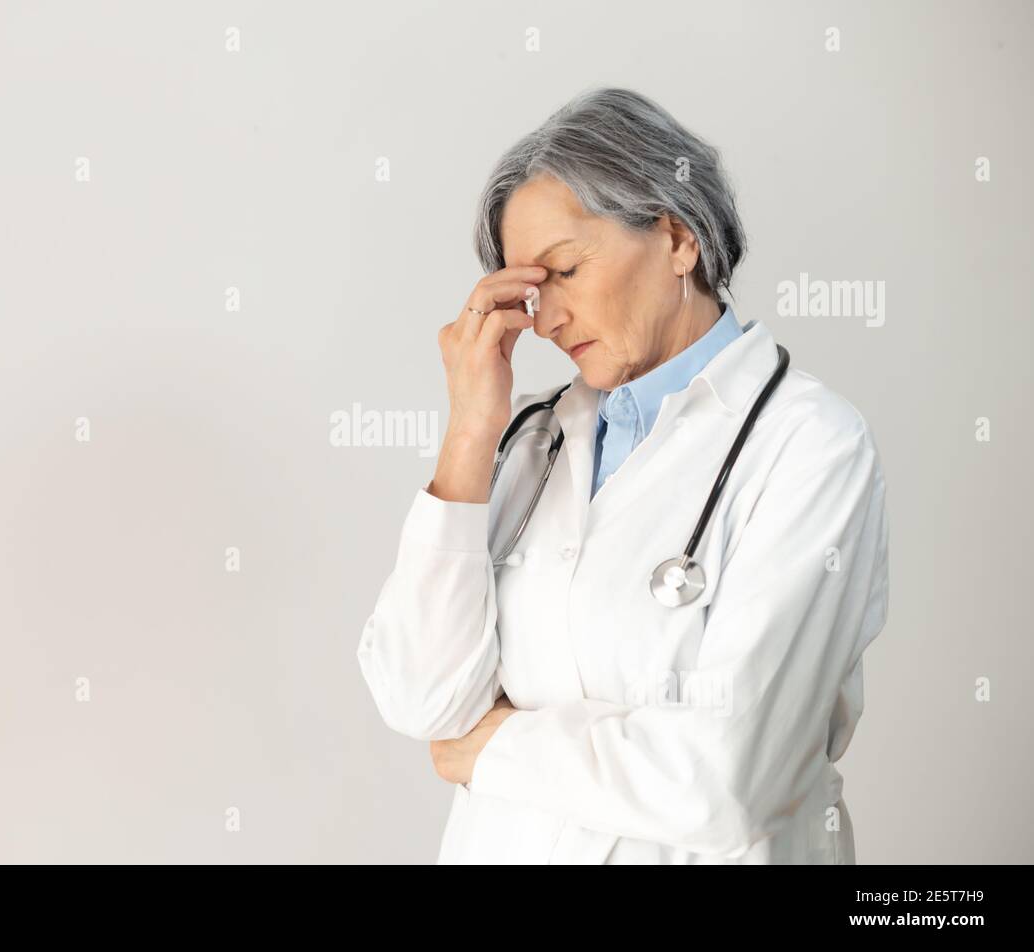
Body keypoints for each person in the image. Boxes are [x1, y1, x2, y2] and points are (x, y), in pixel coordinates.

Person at [356, 87, 889, 864]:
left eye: (566, 271)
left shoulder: (811, 446)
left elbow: (725, 782)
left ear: (677, 239)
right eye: (531, 293)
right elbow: (420, 698)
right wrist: (471, 431)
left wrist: (492, 746)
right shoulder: (523, 443)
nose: (544, 320)